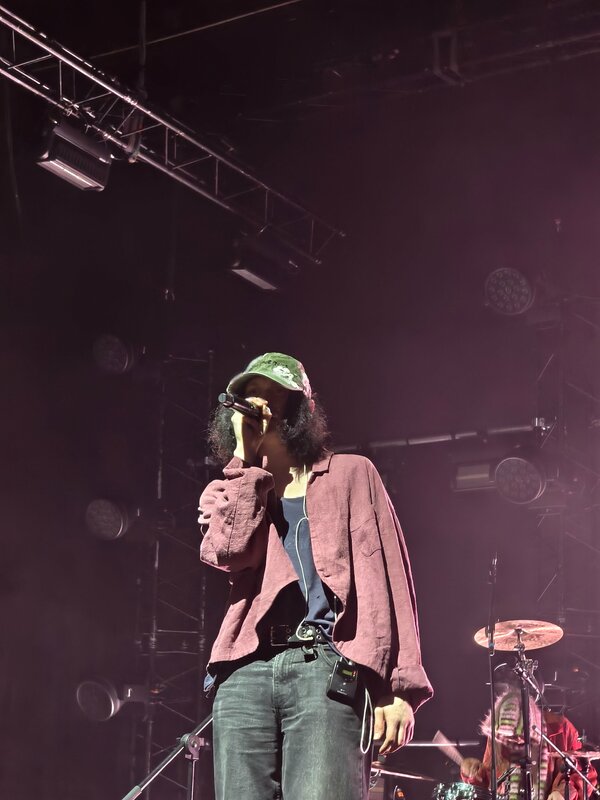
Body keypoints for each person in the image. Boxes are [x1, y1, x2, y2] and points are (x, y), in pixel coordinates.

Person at [198, 352, 433, 800]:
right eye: (248, 396)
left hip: (324, 663)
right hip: (245, 672)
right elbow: (228, 553)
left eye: (272, 395)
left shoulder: (351, 474)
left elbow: (389, 579)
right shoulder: (229, 490)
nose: (258, 405)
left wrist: (399, 687)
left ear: (299, 409)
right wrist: (245, 461)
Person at [460, 679, 597, 800]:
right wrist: (473, 774)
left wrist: (563, 792)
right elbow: (488, 785)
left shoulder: (561, 728)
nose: (512, 741)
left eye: (516, 735)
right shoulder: (497, 735)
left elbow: (584, 773)